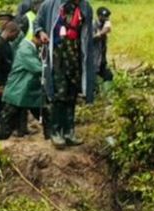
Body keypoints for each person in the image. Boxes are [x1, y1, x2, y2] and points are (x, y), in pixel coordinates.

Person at [33, 0, 96, 148]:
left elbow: (87, 35)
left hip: (75, 58)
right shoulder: (50, 5)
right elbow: (37, 24)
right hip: (57, 59)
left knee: (72, 95)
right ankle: (56, 132)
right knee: (58, 96)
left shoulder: (85, 7)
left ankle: (69, 132)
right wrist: (41, 33)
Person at [0, 32, 42, 140]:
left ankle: (2, 139)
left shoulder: (30, 48)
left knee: (42, 112)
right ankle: (0, 141)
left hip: (22, 89)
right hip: (18, 90)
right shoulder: (25, 50)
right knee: (8, 117)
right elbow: (37, 68)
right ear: (36, 38)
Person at [92, 6, 112, 82]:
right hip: (94, 56)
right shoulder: (93, 25)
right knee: (93, 78)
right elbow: (90, 39)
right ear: (99, 16)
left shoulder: (105, 25)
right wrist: (100, 34)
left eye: (107, 17)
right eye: (104, 17)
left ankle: (107, 93)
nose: (107, 19)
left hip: (102, 56)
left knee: (108, 76)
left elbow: (108, 29)